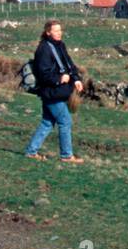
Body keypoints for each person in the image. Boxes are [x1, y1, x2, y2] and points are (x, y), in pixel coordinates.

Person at [24, 19, 85, 162]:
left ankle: (31, 151)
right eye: (56, 30)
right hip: (51, 92)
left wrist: (76, 79)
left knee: (47, 122)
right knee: (65, 122)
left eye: (60, 30)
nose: (59, 33)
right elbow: (43, 74)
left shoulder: (60, 45)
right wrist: (59, 79)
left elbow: (69, 64)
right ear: (48, 32)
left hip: (57, 92)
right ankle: (66, 155)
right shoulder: (43, 49)